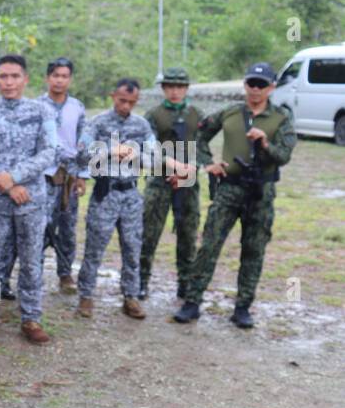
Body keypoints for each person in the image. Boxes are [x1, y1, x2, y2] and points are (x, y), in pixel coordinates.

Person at [175, 62, 296, 329]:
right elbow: (199, 136)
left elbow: (285, 155)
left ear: (272, 88)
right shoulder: (230, 113)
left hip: (261, 191)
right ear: (244, 85)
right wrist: (208, 163)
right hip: (229, 188)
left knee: (253, 249)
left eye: (261, 85)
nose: (255, 89)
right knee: (209, 245)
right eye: (251, 83)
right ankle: (192, 302)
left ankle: (242, 307)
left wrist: (265, 143)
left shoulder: (281, 118)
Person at [0, 53, 57, 345]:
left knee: (31, 261)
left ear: (25, 79)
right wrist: (5, 184)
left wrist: (14, 177)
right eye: (3, 76)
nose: (9, 82)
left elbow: (49, 151)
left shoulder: (42, 112)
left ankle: (31, 317)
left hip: (30, 200)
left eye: (15, 76)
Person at [76, 78, 158, 320]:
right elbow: (80, 153)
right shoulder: (98, 123)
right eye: (122, 100)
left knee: (133, 248)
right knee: (95, 247)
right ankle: (86, 296)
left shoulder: (142, 125)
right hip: (106, 192)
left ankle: (130, 297)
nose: (126, 106)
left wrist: (137, 154)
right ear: (113, 96)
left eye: (131, 102)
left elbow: (154, 158)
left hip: (131, 194)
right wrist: (110, 151)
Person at [140, 67, 202, 300]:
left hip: (188, 180)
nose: (175, 91)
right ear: (164, 89)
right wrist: (172, 165)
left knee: (188, 234)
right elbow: (149, 147)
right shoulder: (153, 115)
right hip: (159, 180)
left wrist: (189, 168)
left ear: (186, 89)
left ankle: (185, 283)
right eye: (170, 87)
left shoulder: (197, 114)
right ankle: (141, 280)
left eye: (179, 87)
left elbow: (203, 146)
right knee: (149, 234)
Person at [39, 58, 89, 294]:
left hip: (69, 177)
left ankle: (65, 273)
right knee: (39, 226)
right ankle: (34, 271)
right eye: (55, 75)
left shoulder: (77, 107)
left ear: (70, 79)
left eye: (64, 76)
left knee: (68, 227)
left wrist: (82, 175)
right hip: (43, 176)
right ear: (48, 77)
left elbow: (83, 143)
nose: (60, 80)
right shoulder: (36, 106)